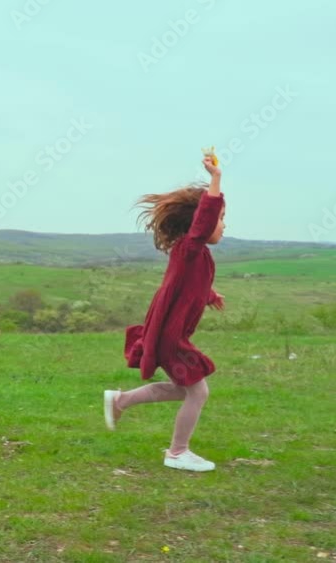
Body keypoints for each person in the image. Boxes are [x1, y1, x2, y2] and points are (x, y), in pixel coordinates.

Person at [104, 155, 226, 472]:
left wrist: (210, 296)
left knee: (183, 389)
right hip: (172, 338)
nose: (224, 226)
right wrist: (216, 178)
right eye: (221, 219)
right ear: (202, 222)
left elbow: (187, 287)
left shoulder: (194, 255)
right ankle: (177, 453)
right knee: (198, 392)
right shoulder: (190, 247)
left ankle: (121, 401)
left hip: (172, 335)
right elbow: (206, 218)